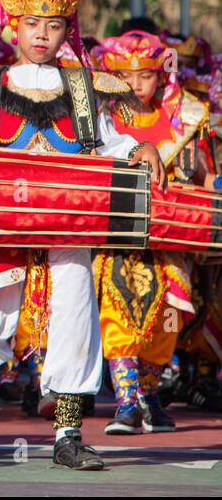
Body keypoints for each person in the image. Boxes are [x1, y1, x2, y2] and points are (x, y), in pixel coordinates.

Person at [0, 0, 165, 471]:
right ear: (12, 27)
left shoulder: (87, 87)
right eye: (31, 23)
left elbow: (112, 141)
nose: (42, 34)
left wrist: (144, 146)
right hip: (1, 226)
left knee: (75, 317)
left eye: (53, 24)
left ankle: (68, 434)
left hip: (70, 224)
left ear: (68, 30)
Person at [95, 30, 212, 434]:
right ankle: (125, 401)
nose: (135, 85)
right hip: (117, 241)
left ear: (160, 76)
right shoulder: (101, 121)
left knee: (166, 321)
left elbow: (204, 174)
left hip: (170, 240)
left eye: (144, 75)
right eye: (125, 77)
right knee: (117, 313)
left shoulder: (185, 119)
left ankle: (148, 398)